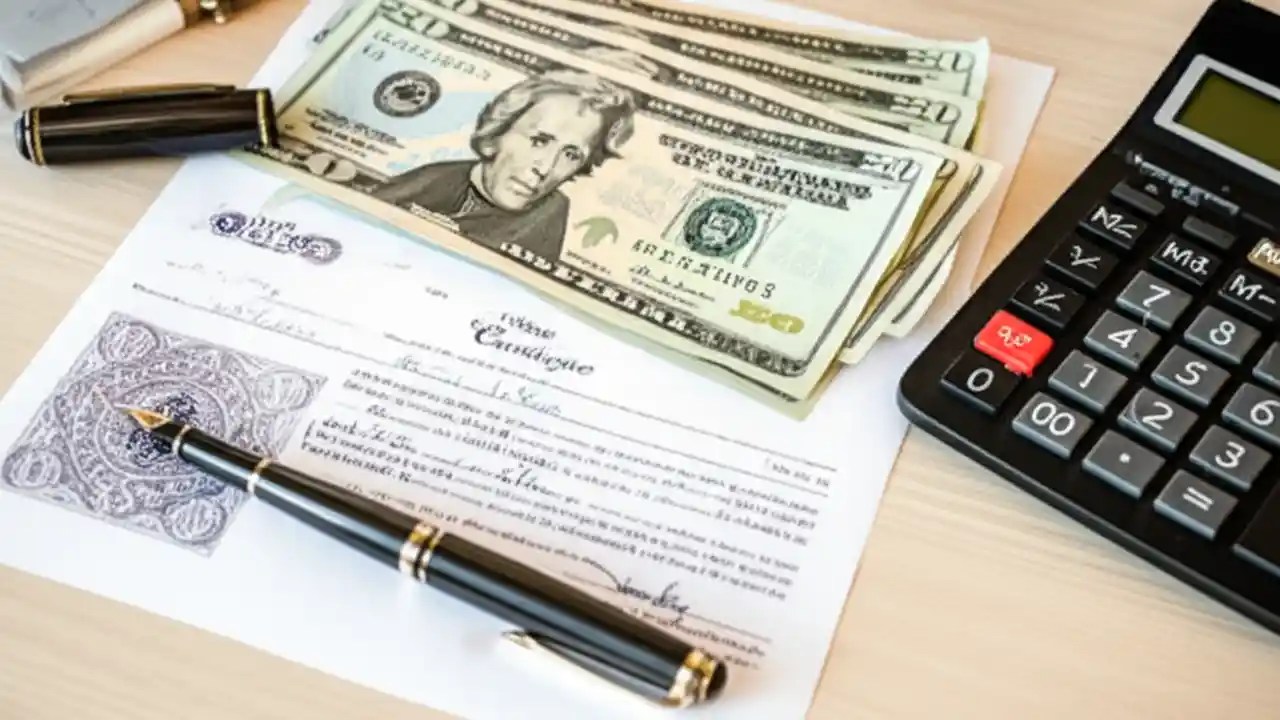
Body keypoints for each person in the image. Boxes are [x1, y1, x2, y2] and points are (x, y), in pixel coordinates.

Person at [375, 69, 636, 262]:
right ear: (496, 134)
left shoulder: (550, 214)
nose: (546, 168)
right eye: (539, 141)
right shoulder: (426, 182)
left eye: (571, 155)